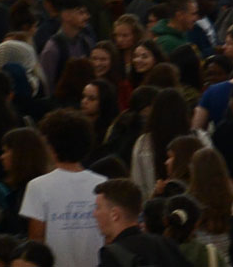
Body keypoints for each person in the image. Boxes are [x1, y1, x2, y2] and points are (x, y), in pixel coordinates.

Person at [26, 113, 111, 267]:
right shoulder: (103, 183)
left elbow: (36, 240)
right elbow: (109, 235)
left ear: (51, 145)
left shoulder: (37, 186)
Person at [97, 179, 195, 267]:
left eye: (98, 207)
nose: (94, 214)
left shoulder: (113, 255)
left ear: (114, 214)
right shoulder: (166, 245)